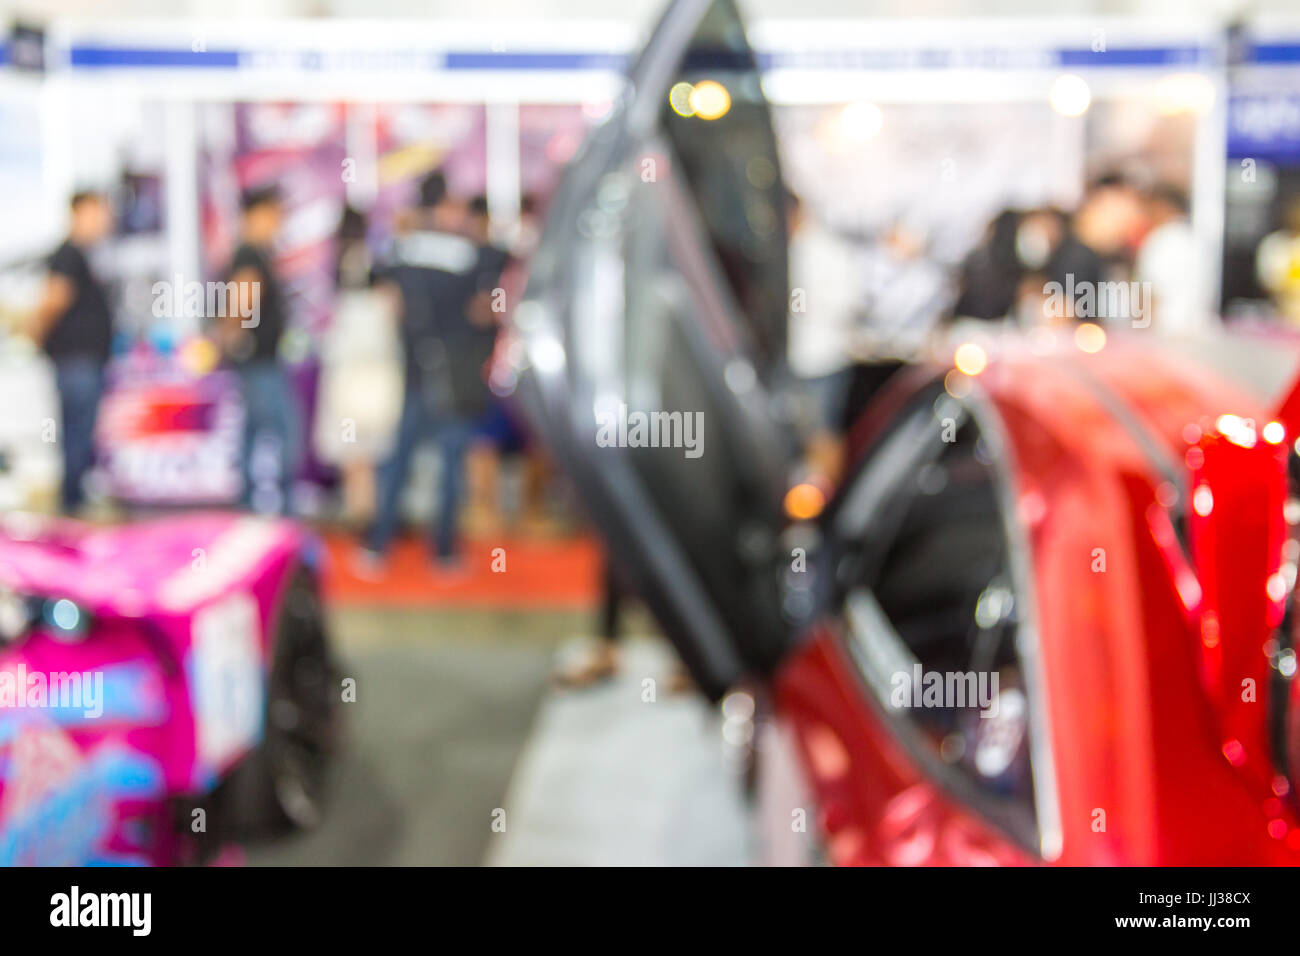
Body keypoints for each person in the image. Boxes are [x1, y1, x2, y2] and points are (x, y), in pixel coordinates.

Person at [358, 171, 502, 573]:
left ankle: (377, 545)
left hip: (416, 369)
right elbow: (484, 310)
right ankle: (443, 552)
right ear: (443, 207)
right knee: (450, 467)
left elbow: (384, 296)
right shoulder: (471, 254)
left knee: (398, 461)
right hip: (454, 374)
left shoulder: (403, 250)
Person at [314, 206, 403, 525]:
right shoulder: (372, 270)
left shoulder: (343, 271)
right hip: (369, 372)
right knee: (365, 447)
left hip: (352, 372)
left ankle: (362, 510)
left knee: (355, 447)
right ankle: (367, 511)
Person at [30, 191, 115, 513]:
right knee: (77, 430)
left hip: (83, 359)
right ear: (79, 213)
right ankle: (72, 503)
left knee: (80, 430)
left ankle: (74, 499)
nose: (104, 220)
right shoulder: (68, 254)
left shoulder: (84, 255)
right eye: (98, 212)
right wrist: (37, 336)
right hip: (75, 360)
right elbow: (53, 301)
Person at [218, 184, 299, 514]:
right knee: (285, 430)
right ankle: (282, 507)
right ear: (256, 215)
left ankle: (249, 503)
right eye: (274, 214)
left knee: (253, 430)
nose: (279, 222)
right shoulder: (249, 255)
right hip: (259, 361)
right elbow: (240, 302)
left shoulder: (256, 254)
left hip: (258, 359)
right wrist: (230, 336)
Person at [1135, 183, 1209, 334]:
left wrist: (1142, 328)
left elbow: (1150, 292)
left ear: (1162, 206)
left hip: (1164, 330)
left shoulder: (1160, 240)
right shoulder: (1195, 240)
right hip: (1197, 328)